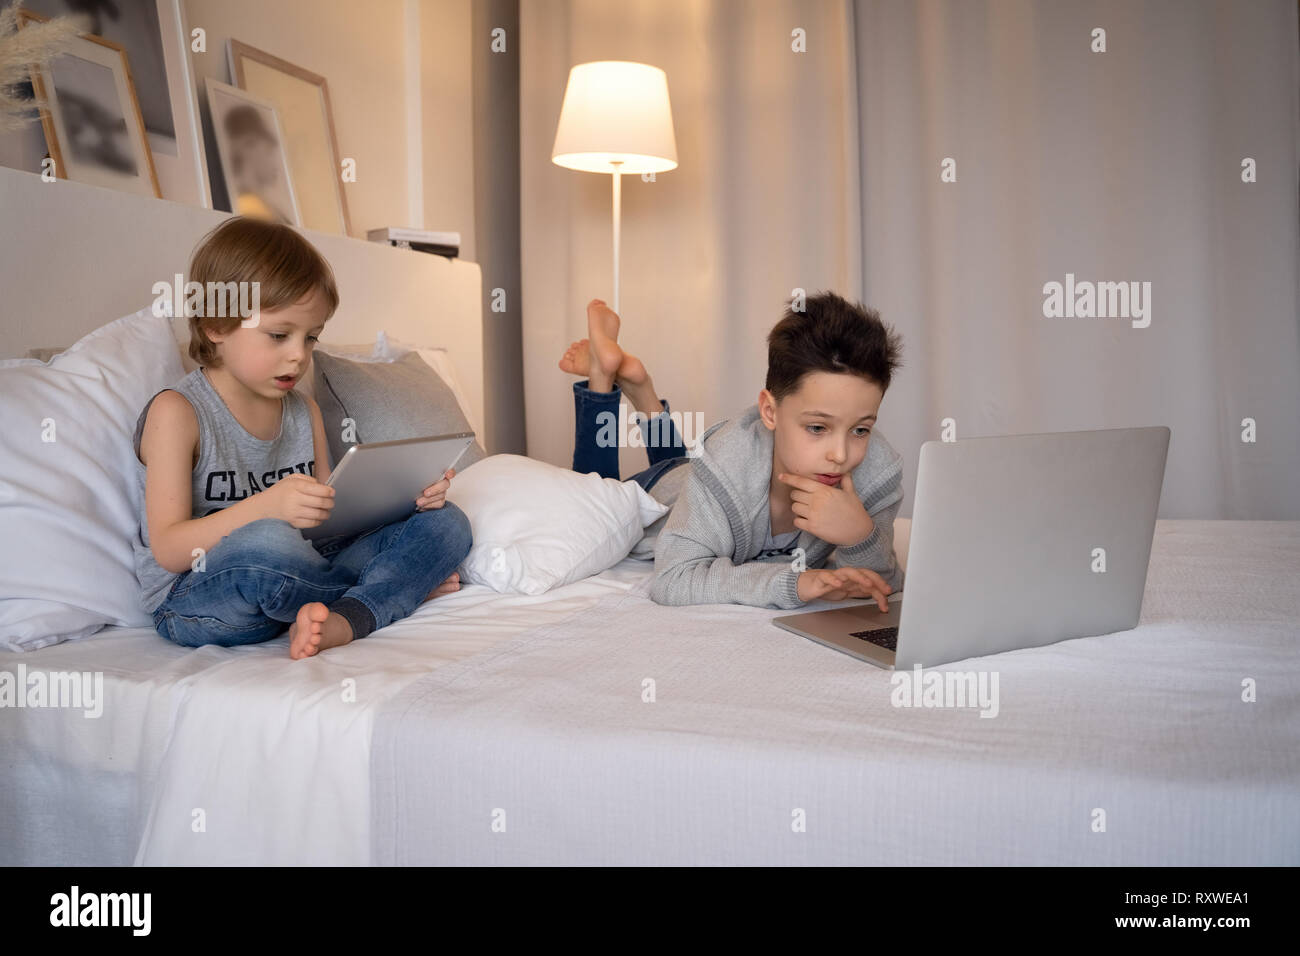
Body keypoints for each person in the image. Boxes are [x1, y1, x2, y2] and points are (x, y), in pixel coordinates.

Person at [131, 217, 471, 658]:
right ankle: (387, 595)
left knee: (447, 524)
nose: (298, 354)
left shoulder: (302, 410)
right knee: (266, 542)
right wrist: (267, 507)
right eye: (278, 335)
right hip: (201, 596)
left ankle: (351, 612)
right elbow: (171, 550)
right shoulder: (178, 413)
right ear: (215, 325)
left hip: (300, 575)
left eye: (310, 338)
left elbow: (328, 526)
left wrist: (410, 499)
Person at [560, 294, 905, 611]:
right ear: (769, 412)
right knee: (593, 496)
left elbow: (880, 585)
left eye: (860, 429)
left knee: (683, 460)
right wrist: (791, 583)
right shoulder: (724, 464)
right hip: (666, 490)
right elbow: (673, 580)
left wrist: (861, 536)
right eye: (817, 428)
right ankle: (601, 376)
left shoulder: (876, 470)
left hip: (700, 468)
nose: (841, 455)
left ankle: (641, 388)